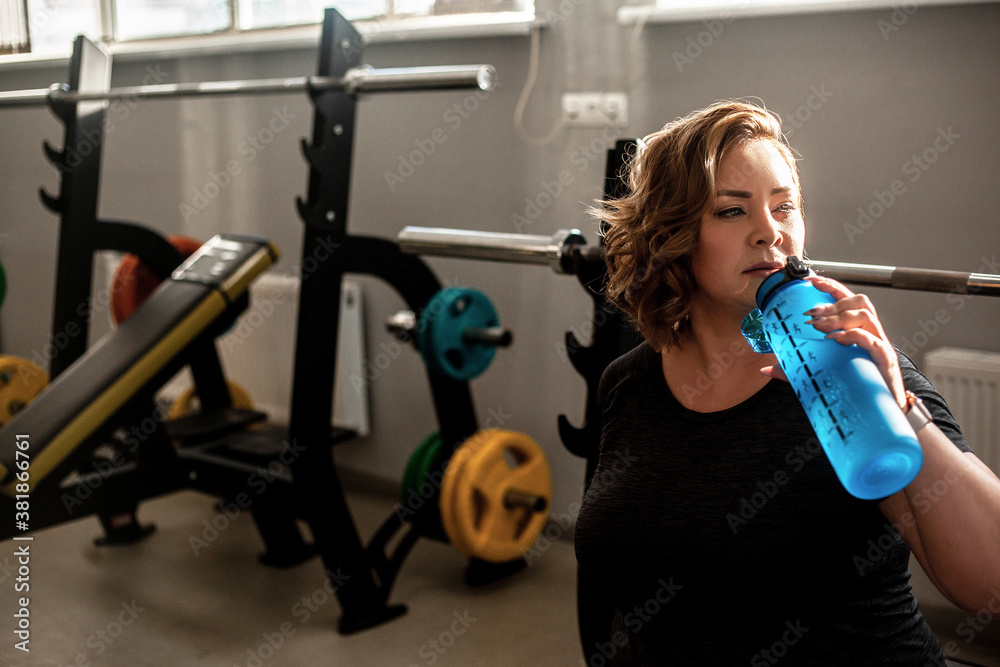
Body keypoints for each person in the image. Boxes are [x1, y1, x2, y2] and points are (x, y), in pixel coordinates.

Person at [573, 100, 1000, 665]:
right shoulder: (625, 383)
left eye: (784, 206)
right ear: (671, 234)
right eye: (732, 210)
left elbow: (990, 584)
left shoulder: (850, 376)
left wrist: (900, 406)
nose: (770, 231)